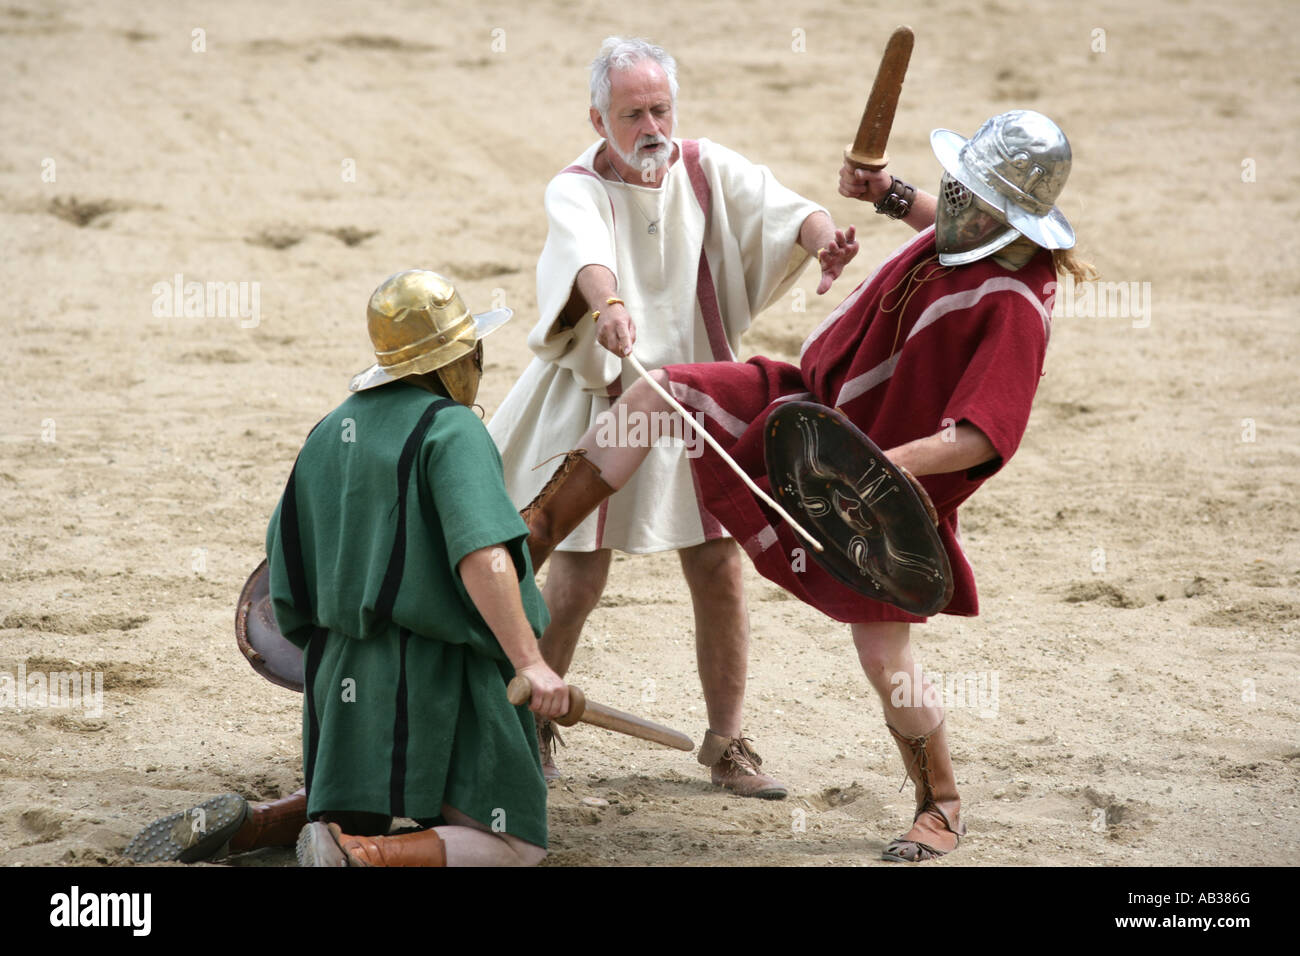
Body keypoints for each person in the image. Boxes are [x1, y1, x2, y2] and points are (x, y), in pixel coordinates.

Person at [519, 110, 1095, 861]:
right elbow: (947, 228)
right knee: (656, 392)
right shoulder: (975, 231)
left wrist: (878, 470)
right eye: (956, 181)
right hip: (808, 410)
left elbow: (982, 436)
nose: (951, 197)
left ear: (1005, 213)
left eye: (971, 190)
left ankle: (941, 803)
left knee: (886, 658)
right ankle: (524, 539)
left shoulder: (1016, 304)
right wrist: (890, 196)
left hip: (876, 496)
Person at [488, 36, 859, 798]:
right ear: (599, 118)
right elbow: (586, 252)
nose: (652, 125)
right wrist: (610, 305)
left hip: (693, 391)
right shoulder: (574, 187)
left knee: (720, 568)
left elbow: (782, 208)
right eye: (633, 113)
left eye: (661, 108)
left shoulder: (705, 165)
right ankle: (534, 720)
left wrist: (825, 241)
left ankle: (727, 745)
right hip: (603, 393)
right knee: (579, 571)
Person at [126, 270, 570, 867]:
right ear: (453, 357)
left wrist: (339, 648)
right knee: (515, 844)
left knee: (356, 801)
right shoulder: (453, 428)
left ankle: (255, 827)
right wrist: (530, 663)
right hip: (443, 678)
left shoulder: (330, 429)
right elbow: (482, 555)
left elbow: (282, 573)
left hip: (342, 681)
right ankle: (359, 857)